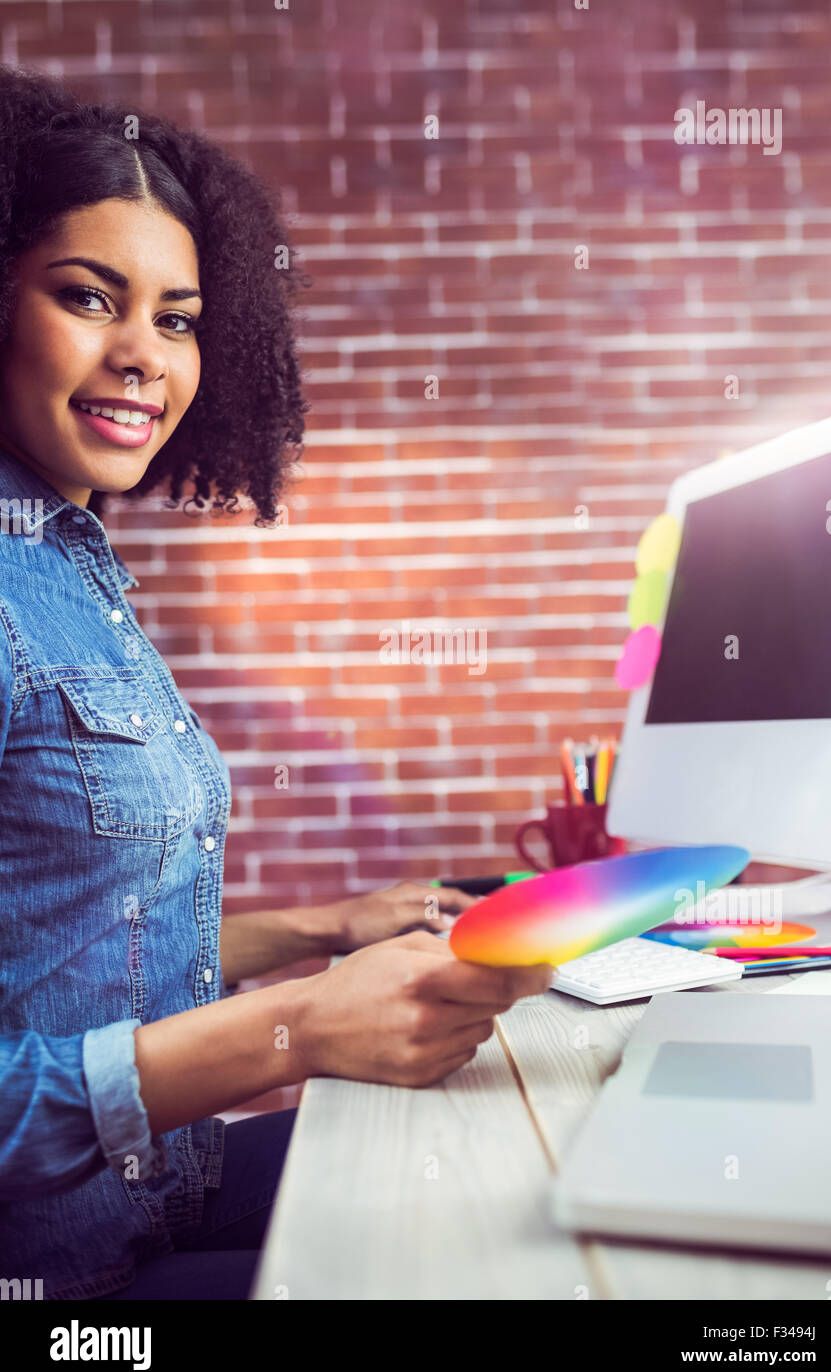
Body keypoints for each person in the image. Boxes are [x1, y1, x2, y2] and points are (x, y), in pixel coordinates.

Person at [0, 66, 553, 1301]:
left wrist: (323, 930)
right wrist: (295, 1028)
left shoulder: (70, 573)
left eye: (180, 318)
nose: (142, 353)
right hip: (60, 1282)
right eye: (89, 298)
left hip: (160, 1191)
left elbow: (72, 948)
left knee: (526, 1174)